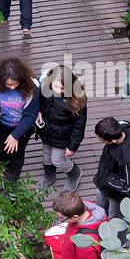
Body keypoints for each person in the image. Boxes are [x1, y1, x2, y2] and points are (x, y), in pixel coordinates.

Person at [0, 56, 40, 182]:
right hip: (1, 125)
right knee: (2, 150)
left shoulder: (32, 86)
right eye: (8, 85)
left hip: (21, 127)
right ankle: (4, 173)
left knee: (17, 154)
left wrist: (16, 135)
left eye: (16, 84)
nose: (12, 87)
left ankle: (12, 181)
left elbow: (31, 114)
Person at [33, 191, 107, 259]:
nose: (60, 220)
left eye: (62, 218)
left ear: (75, 216)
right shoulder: (88, 209)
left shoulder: (85, 244)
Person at [36, 63, 87, 191]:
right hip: (46, 131)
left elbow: (79, 127)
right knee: (47, 156)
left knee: (58, 160)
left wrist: (72, 147)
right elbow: (40, 102)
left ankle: (74, 173)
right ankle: (49, 176)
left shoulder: (77, 101)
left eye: (62, 88)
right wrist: (39, 111)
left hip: (63, 137)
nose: (58, 90)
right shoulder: (46, 88)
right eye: (56, 86)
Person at [93, 116, 130, 220]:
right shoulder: (124, 127)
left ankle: (120, 235)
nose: (98, 138)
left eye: (100, 138)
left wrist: (108, 180)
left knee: (115, 216)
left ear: (113, 141)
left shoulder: (129, 159)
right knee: (100, 205)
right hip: (104, 180)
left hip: (116, 192)